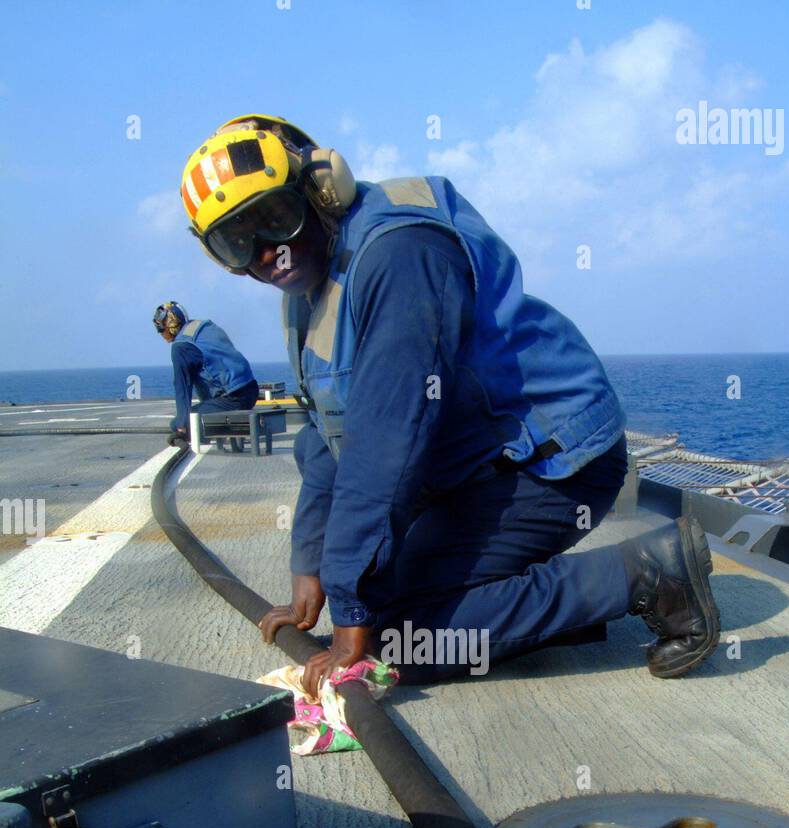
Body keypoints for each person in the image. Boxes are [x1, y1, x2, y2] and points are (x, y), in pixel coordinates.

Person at [179, 115, 720, 695]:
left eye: (275, 219)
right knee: (379, 594)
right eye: (237, 243)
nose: (268, 253)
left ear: (319, 188)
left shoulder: (400, 255)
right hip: (479, 464)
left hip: (552, 462)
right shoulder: (309, 293)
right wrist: (310, 566)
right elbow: (324, 439)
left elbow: (389, 436)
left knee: (397, 638)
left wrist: (349, 613)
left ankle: (652, 575)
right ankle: (541, 618)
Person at [153, 301, 258, 445]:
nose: (160, 333)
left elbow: (182, 388)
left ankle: (229, 428)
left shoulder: (181, 346)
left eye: (160, 329)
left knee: (176, 423)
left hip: (233, 399)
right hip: (251, 390)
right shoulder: (204, 326)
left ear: (170, 325)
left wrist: (182, 428)